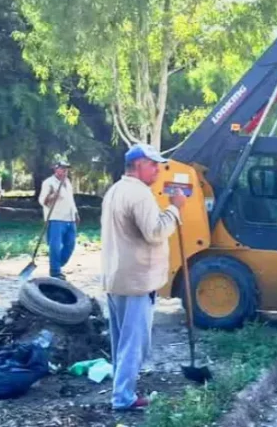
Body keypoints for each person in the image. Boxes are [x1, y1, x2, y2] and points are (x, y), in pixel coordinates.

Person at [101, 143, 186, 411]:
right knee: (133, 345)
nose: (158, 171)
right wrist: (175, 208)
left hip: (117, 279)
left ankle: (121, 391)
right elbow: (155, 232)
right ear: (138, 165)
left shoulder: (115, 190)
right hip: (137, 282)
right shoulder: (139, 194)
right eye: (153, 165)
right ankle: (123, 398)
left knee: (121, 344)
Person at [38, 160, 80, 279]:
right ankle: (55, 270)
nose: (65, 171)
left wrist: (75, 213)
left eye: (66, 169)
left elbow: (71, 200)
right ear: (56, 169)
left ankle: (57, 263)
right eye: (62, 168)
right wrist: (52, 196)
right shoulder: (49, 183)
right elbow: (42, 201)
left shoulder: (67, 182)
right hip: (56, 218)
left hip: (69, 217)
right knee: (55, 245)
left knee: (70, 244)